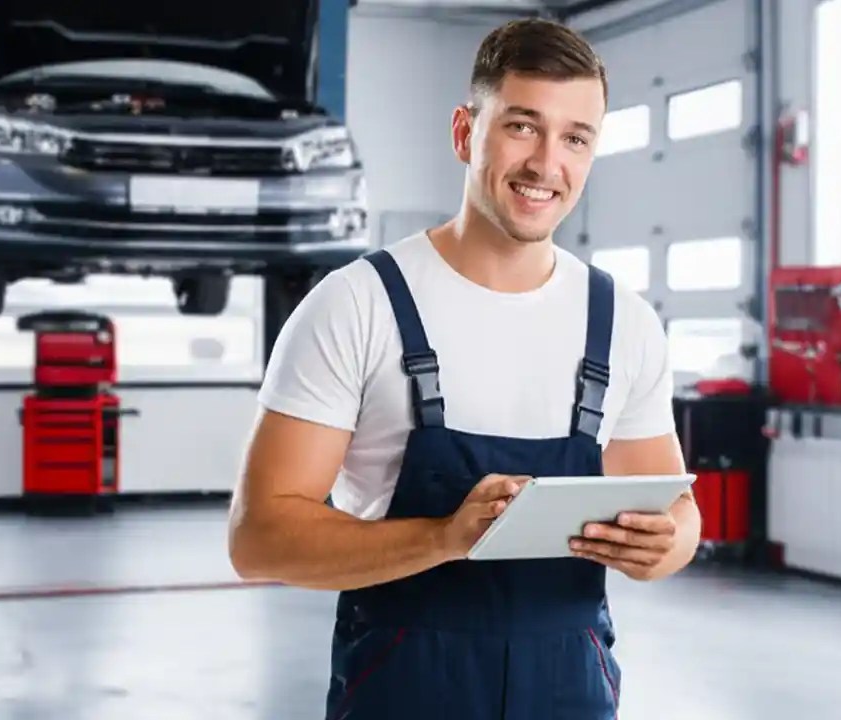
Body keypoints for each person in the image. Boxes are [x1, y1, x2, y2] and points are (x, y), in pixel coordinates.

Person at [228, 17, 701, 720]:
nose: (547, 163)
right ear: (463, 133)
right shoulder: (358, 305)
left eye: (576, 137)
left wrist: (664, 547)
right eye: (521, 126)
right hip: (404, 692)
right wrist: (444, 538)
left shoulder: (622, 321)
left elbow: (678, 515)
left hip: (570, 691)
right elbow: (258, 538)